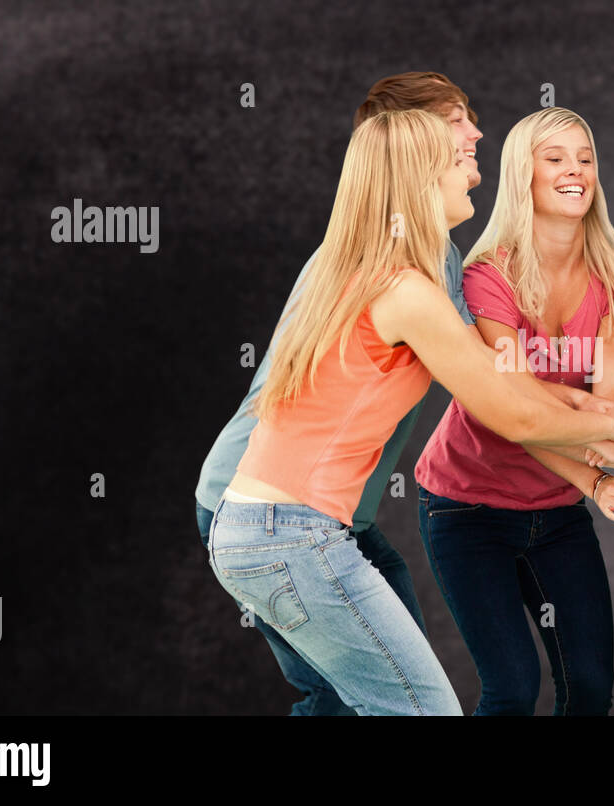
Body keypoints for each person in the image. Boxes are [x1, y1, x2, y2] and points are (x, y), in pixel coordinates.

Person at [208, 109, 614, 716]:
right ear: (421, 181)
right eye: (458, 162)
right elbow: (515, 415)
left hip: (272, 528)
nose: (472, 175)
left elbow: (513, 386)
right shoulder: (408, 294)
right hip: (289, 534)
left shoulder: (376, 272)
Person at [194, 72, 483, 715]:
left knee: (357, 692)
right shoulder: (395, 265)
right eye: (455, 120)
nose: (475, 132)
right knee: (361, 695)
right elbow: (491, 391)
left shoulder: (415, 250)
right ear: (408, 147)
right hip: (267, 505)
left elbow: (486, 376)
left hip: (306, 511)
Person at [414, 107, 614, 715]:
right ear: (524, 174)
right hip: (467, 507)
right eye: (555, 159)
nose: (575, 171)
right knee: (513, 688)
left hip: (557, 510)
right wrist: (597, 478)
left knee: (590, 686)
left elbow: (611, 403)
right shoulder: (486, 276)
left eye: (585, 158)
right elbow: (515, 411)